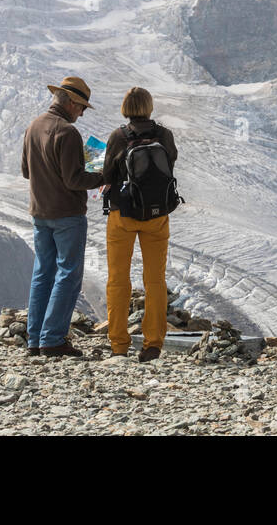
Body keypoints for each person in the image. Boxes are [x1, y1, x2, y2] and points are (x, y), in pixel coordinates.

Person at [21, 76, 104, 358]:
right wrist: (104, 176)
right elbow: (74, 179)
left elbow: (26, 171)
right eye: (81, 107)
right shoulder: (67, 133)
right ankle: (53, 339)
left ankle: (35, 339)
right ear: (70, 103)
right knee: (68, 275)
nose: (81, 113)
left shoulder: (33, 126)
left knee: (43, 273)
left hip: (39, 212)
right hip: (67, 214)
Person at [102, 87, 177, 362]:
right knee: (155, 279)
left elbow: (107, 173)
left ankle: (119, 345)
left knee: (118, 279)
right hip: (157, 215)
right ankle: (153, 344)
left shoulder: (118, 136)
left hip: (123, 215)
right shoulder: (164, 135)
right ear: (149, 106)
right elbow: (171, 163)